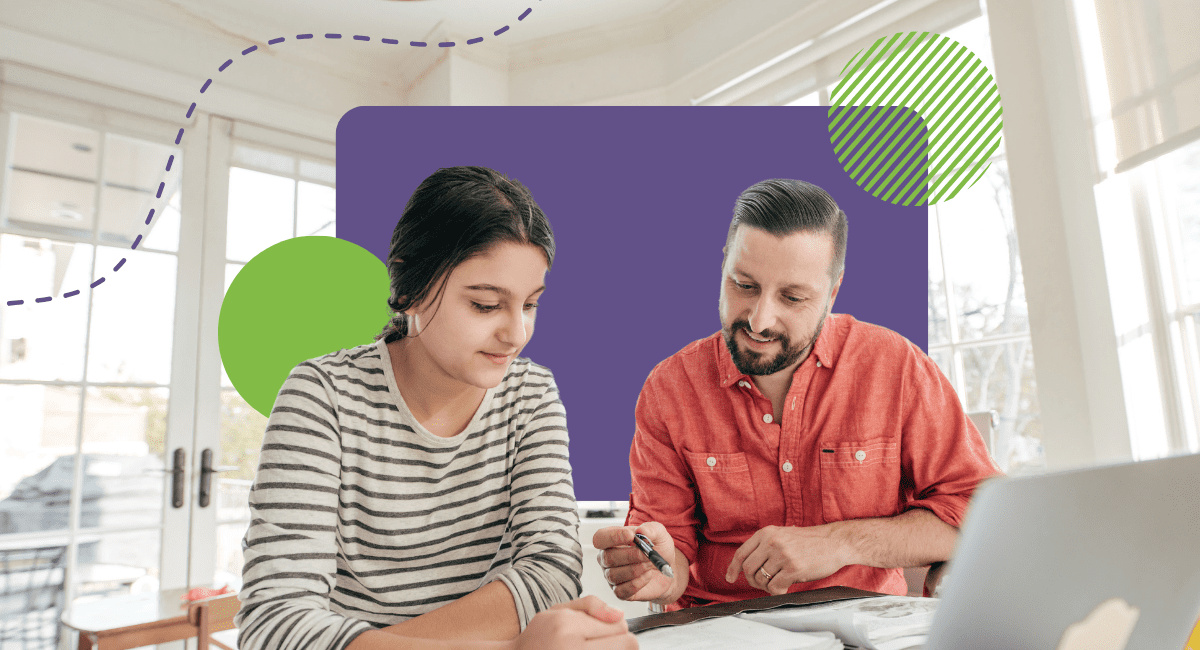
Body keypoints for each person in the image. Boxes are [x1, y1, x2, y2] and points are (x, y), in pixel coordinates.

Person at [235, 166, 637, 650]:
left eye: (530, 304)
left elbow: (550, 572)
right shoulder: (322, 395)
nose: (516, 334)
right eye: (486, 305)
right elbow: (274, 624)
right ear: (409, 289)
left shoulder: (531, 395)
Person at [594, 178, 1000, 610]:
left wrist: (840, 543)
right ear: (723, 267)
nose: (759, 319)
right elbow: (668, 556)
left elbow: (985, 515)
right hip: (720, 634)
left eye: (792, 297)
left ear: (832, 293)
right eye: (744, 285)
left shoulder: (895, 366)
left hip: (864, 630)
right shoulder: (669, 389)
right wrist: (652, 569)